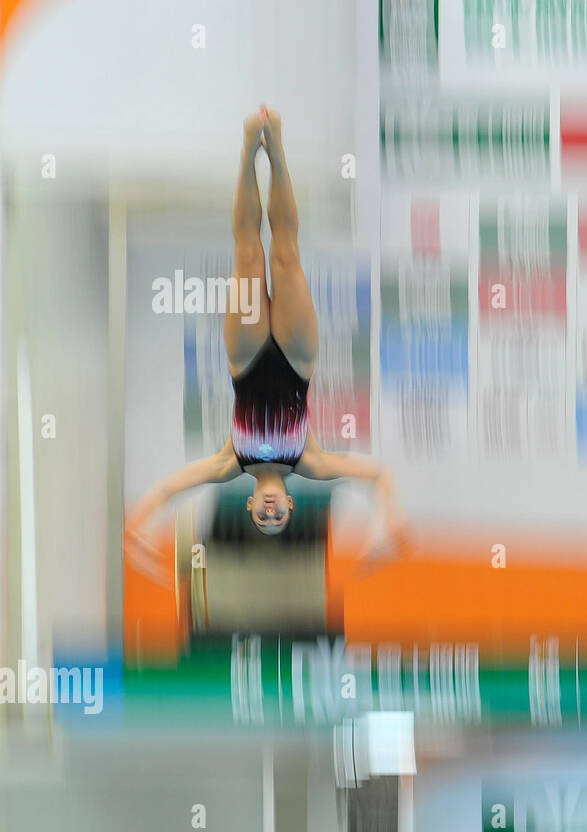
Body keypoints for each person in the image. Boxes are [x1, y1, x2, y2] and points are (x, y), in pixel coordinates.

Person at [127, 107, 405, 576]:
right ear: (292, 505)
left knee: (248, 250)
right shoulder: (310, 461)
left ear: (251, 505)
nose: (271, 512)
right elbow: (380, 477)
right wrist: (389, 528)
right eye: (279, 518)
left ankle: (245, 150)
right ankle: (274, 147)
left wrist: (133, 532)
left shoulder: (229, 463)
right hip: (297, 358)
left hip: (246, 358)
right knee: (286, 252)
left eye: (263, 517)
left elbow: (167, 490)